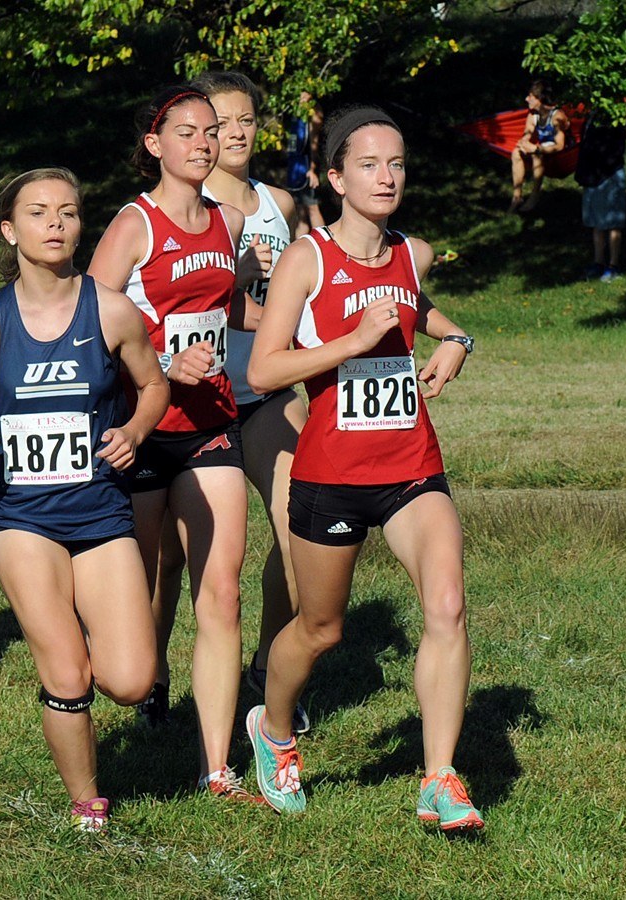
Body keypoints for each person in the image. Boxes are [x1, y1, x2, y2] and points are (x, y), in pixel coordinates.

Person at [244, 106, 484, 832]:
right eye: (370, 164)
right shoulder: (307, 259)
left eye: (398, 164)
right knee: (320, 629)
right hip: (332, 473)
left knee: (446, 605)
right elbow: (263, 366)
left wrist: (457, 339)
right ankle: (274, 730)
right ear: (335, 177)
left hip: (411, 464)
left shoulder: (416, 252)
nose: (387, 177)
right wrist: (350, 342)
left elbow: (422, 306)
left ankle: (439, 779)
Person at [0, 167, 167, 831]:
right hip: (23, 517)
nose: (56, 224)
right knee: (68, 673)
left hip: (100, 511)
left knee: (130, 680)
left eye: (68, 212)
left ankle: (73, 663)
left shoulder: (112, 309)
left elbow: (154, 387)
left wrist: (132, 429)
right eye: (39, 213)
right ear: (11, 230)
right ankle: (87, 801)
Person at [87, 85, 262, 802]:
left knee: (220, 593)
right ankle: (125, 678)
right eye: (185, 131)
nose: (203, 141)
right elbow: (86, 326)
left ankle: (216, 768)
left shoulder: (227, 221)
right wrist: (160, 363)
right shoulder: (136, 223)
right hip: (140, 432)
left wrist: (322, 334)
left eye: (212, 131)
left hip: (212, 425)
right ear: (154, 145)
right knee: (135, 595)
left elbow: (228, 310)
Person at [186, 70, 310, 732]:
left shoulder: (281, 205)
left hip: (264, 396)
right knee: (183, 560)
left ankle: (268, 670)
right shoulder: (180, 204)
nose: (234, 133)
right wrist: (233, 277)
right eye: (220, 122)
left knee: (301, 537)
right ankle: (150, 679)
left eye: (245, 121)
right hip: (193, 405)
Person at [575, 113, 626, 281]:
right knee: (596, 222)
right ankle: (598, 262)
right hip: (592, 176)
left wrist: (603, 168)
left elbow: (616, 149)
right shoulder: (591, 117)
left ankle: (613, 266)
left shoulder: (615, 116)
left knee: (613, 222)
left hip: (609, 176)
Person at [509, 78, 570, 213]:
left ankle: (535, 195)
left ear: (539, 98)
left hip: (561, 154)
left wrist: (535, 148)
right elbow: (527, 133)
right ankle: (517, 196)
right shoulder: (533, 115)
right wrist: (524, 143)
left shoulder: (556, 116)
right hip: (543, 149)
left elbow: (560, 145)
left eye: (530, 96)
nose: (526, 99)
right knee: (515, 152)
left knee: (536, 154)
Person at [286, 91, 325, 238]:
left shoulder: (314, 112)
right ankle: (299, 247)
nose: (302, 96)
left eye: (305, 93)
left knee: (313, 208)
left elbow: (314, 143)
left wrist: (313, 169)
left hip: (306, 167)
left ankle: (325, 244)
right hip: (294, 169)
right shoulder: (295, 113)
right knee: (300, 213)